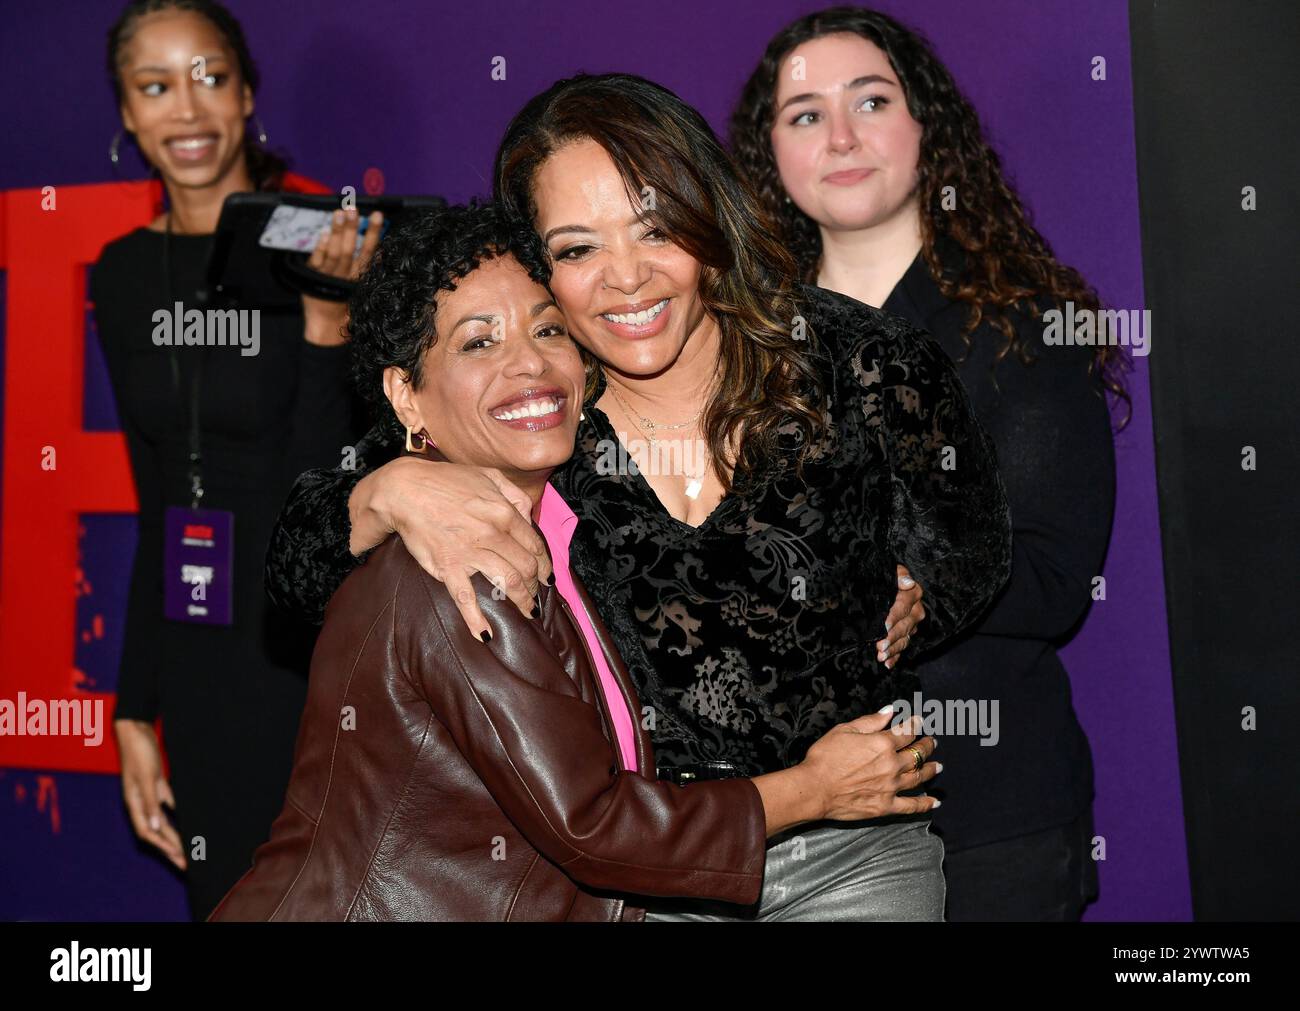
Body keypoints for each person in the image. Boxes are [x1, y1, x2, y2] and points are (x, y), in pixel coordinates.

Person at [264, 73, 1013, 921]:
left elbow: (976, 542)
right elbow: (295, 562)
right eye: (578, 249)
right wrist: (394, 490)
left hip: (856, 849)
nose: (625, 279)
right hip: (646, 877)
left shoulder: (857, 361)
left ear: (708, 218)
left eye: (654, 229)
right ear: (541, 267)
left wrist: (919, 587)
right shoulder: (536, 416)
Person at [729, 6, 1124, 920]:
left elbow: (1057, 575)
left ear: (925, 131)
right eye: (803, 114)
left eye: (870, 100)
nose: (839, 136)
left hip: (985, 820)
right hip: (791, 829)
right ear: (771, 160)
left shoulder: (1019, 327)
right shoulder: (741, 347)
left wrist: (900, 581)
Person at [93, 0, 377, 919]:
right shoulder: (124, 274)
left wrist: (329, 325)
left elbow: (331, 485)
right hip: (200, 648)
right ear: (129, 115)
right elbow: (156, 498)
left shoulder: (328, 240)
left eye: (210, 77)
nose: (187, 108)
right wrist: (136, 708)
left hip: (315, 643)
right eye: (156, 86)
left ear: (247, 94)